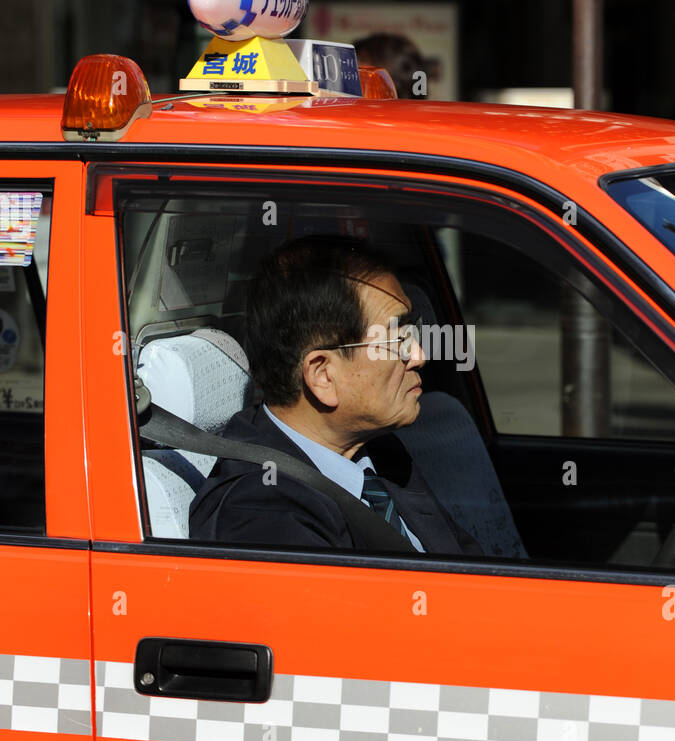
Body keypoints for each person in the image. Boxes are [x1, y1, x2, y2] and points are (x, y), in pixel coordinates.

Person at [188, 236, 481, 555]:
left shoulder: (378, 452)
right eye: (398, 340)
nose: (419, 355)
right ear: (323, 375)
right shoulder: (264, 514)